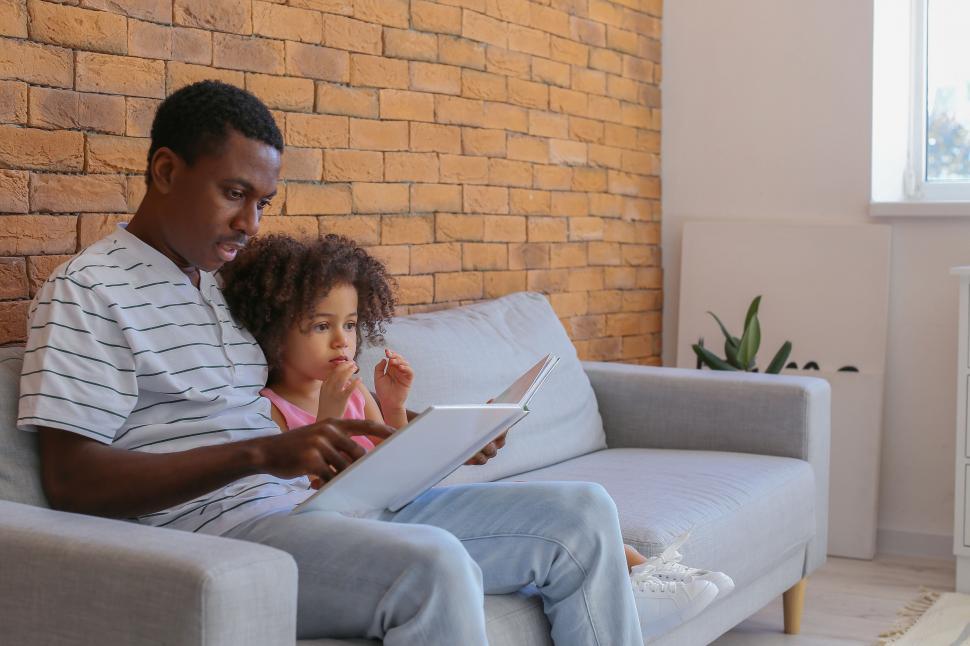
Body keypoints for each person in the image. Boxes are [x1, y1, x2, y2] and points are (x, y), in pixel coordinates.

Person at [15, 79, 708, 645]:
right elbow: (74, 482)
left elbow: (307, 398)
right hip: (218, 542)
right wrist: (264, 456)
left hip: (316, 511)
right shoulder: (87, 293)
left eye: (263, 203)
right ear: (166, 170)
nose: (251, 224)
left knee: (583, 515)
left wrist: (429, 443)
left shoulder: (219, 290)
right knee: (434, 565)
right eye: (234, 194)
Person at [221, 232, 732, 637]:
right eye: (319, 326)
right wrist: (330, 421)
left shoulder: (359, 391)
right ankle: (634, 590)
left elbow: (392, 466)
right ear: (273, 331)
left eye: (351, 325)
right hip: (358, 535)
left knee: (586, 504)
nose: (342, 340)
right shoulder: (271, 413)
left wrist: (401, 410)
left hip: (398, 511)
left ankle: (631, 590)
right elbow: (321, 509)